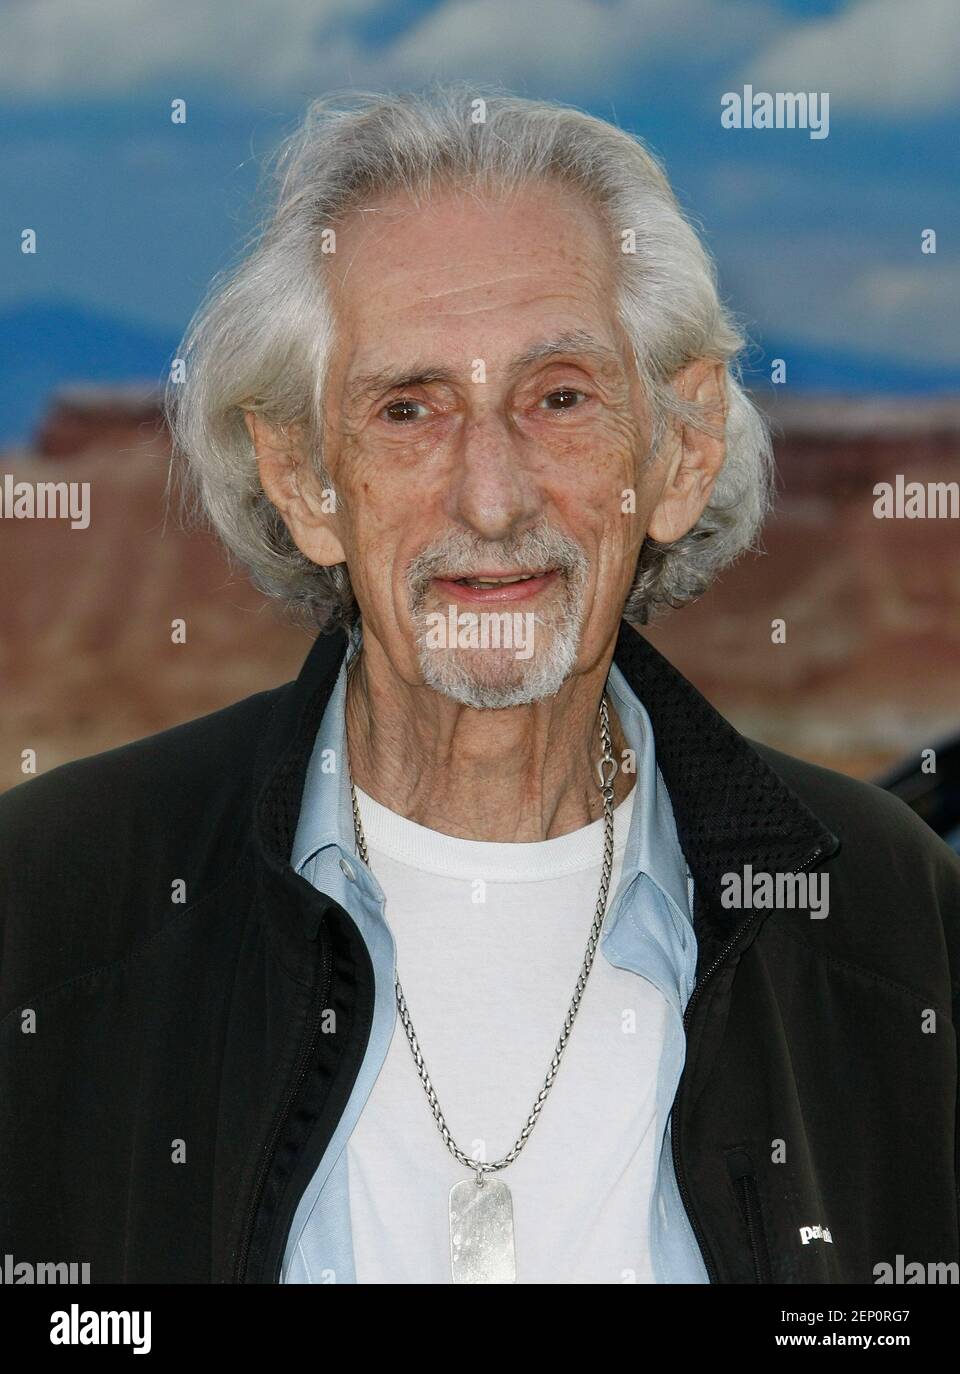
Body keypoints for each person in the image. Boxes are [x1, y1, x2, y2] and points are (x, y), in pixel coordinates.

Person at [1, 83, 957, 1286]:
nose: (492, 497)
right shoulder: (49, 908)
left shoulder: (890, 918)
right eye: (410, 410)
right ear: (302, 480)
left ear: (680, 448)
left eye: (559, 398)